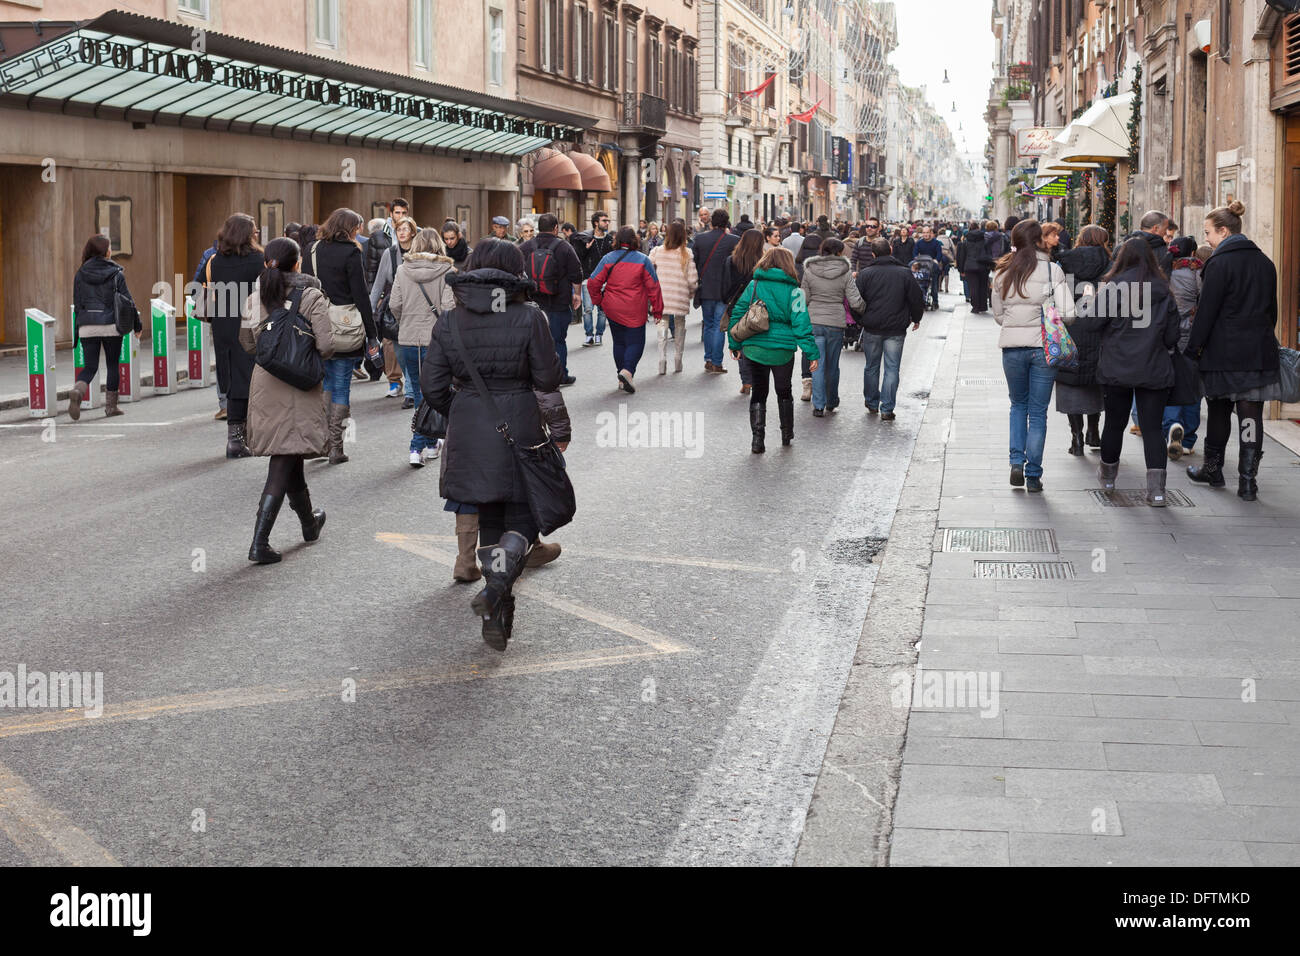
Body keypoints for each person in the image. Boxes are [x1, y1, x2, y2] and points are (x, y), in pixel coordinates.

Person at [420, 239, 568, 650]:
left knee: (488, 515)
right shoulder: (530, 317)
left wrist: (463, 407)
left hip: (469, 424)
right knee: (521, 513)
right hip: (519, 420)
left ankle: (498, 609)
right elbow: (547, 377)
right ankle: (496, 590)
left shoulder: (450, 320)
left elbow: (431, 385)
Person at [238, 237, 333, 563]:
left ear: (267, 263)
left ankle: (309, 523)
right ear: (297, 263)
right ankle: (259, 542)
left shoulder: (255, 297)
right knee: (283, 456)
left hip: (266, 381)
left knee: (289, 451)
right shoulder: (311, 296)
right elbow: (327, 344)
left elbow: (249, 344)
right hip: (300, 385)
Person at [1072, 237, 1180, 505]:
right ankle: (1156, 491)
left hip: (1117, 366)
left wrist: (1089, 301)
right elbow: (1172, 336)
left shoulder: (1113, 288)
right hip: (1153, 367)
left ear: (1121, 259)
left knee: (1115, 424)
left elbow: (1091, 325)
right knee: (1153, 429)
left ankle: (1108, 476)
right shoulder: (1163, 290)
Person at [1185, 200, 1279, 502]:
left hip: (1222, 352)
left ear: (1224, 231)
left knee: (1219, 409)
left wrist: (1193, 349)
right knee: (1251, 413)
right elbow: (1272, 312)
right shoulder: (1265, 262)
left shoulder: (1219, 263)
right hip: (1257, 351)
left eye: (1209, 233)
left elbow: (1206, 312)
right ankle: (1248, 481)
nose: (1207, 239)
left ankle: (1213, 469)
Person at [992, 219, 1076, 492]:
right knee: (1038, 413)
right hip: (1043, 348)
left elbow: (999, 316)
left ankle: (1016, 461)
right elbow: (1070, 314)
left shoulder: (1002, 273)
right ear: (1039, 240)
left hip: (1012, 348)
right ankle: (1033, 475)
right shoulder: (1053, 271)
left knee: (1018, 406)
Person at [302, 207, 379, 465]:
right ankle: (336, 446)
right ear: (348, 228)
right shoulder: (350, 252)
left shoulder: (312, 250)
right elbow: (361, 295)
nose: (360, 232)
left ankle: (322, 443)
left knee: (323, 384)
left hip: (316, 325)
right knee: (341, 386)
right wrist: (372, 335)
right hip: (346, 327)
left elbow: (303, 289)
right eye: (357, 227)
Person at [728, 247, 818, 452]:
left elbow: (738, 313)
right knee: (784, 390)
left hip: (755, 347)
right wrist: (811, 353)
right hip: (783, 350)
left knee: (759, 392)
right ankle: (786, 433)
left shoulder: (754, 285)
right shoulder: (795, 291)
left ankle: (757, 441)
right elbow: (801, 323)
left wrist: (734, 343)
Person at [386, 227, 457, 466]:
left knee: (418, 392)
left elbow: (394, 304)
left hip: (408, 338)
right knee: (437, 392)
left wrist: (405, 320)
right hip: (436, 340)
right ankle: (422, 445)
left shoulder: (403, 270)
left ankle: (425, 445)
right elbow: (448, 307)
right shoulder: (448, 270)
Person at [201, 214, 264, 458]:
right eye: (254, 231)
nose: (257, 234)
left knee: (230, 375)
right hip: (250, 321)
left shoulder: (215, 261)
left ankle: (236, 438)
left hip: (223, 324)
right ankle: (242, 438)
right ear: (246, 234)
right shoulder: (258, 260)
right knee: (250, 378)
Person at [68, 235, 140, 421]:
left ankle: (77, 390)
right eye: (109, 247)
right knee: (112, 365)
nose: (111, 251)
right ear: (104, 251)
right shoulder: (116, 273)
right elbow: (128, 302)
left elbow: (77, 303)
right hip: (110, 325)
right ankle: (111, 407)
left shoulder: (80, 274)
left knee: (90, 367)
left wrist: (79, 327)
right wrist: (137, 325)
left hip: (87, 326)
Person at [587, 226, 664, 394]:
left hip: (613, 307)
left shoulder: (608, 258)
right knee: (636, 342)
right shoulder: (643, 260)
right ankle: (627, 371)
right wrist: (658, 310)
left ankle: (621, 377)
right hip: (635, 307)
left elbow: (593, 282)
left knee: (619, 342)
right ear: (634, 240)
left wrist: (598, 300)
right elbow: (654, 286)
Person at [1055, 224, 1111, 455]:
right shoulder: (1110, 264)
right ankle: (1094, 431)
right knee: (1095, 381)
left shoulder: (1064, 263)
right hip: (1100, 329)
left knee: (1071, 381)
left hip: (1071, 328)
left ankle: (1076, 438)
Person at [854, 238, 924, 422]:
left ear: (873, 254)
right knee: (892, 368)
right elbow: (916, 298)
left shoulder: (866, 274)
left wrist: (860, 320)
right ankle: (887, 407)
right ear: (891, 250)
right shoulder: (904, 273)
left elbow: (856, 301)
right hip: (896, 328)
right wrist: (916, 318)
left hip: (872, 326)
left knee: (871, 366)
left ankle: (871, 402)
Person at [801, 237, 864, 416]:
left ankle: (818, 405)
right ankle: (831, 400)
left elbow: (803, 298)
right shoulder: (845, 272)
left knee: (817, 364)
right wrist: (864, 311)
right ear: (839, 252)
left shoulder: (809, 269)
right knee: (832, 365)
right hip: (835, 322)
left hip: (814, 321)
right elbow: (854, 300)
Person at [519, 213, 583, 386]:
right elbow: (576, 273)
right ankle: (561, 375)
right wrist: (577, 294)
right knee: (558, 340)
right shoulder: (564, 247)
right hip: (559, 302)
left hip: (532, 302)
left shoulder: (525, 247)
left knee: (533, 342)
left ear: (538, 228)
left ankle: (535, 376)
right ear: (556, 228)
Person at [1163, 237, 1205, 461]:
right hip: (1192, 337)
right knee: (1193, 385)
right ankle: (1187, 438)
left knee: (1169, 384)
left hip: (1169, 336)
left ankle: (1172, 425)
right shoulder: (1199, 274)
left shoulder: (1165, 273)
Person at [369, 216, 419, 401]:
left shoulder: (421, 252)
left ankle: (412, 391)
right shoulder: (389, 254)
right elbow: (378, 285)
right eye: (399, 230)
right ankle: (409, 385)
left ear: (413, 232)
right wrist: (370, 310)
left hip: (417, 307)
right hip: (394, 308)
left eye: (406, 229)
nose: (403, 232)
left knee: (415, 350)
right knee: (399, 352)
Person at [693, 208, 741, 374]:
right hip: (725, 290)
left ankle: (708, 359)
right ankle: (717, 362)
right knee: (719, 326)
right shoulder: (734, 240)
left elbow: (696, 263)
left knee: (708, 325)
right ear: (727, 222)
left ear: (712, 221)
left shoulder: (700, 239)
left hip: (705, 288)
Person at [648, 219, 699, 375]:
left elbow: (648, 273)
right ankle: (678, 360)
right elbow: (692, 280)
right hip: (679, 295)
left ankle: (662, 360)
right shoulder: (686, 253)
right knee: (679, 325)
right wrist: (690, 293)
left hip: (661, 296)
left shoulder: (656, 252)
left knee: (661, 325)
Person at [720, 228, 766, 395]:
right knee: (757, 343)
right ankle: (757, 377)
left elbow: (725, 286)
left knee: (739, 342)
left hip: (736, 307)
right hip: (758, 307)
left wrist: (728, 300)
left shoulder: (731, 260)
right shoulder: (765, 261)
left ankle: (746, 381)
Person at [573, 211, 614, 347]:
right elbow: (578, 259)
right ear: (596, 223)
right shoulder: (585, 239)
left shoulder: (609, 240)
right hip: (588, 279)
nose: (607, 223)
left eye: (608, 221)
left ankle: (599, 335)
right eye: (604, 221)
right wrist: (586, 249)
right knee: (588, 309)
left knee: (603, 310)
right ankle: (589, 335)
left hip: (605, 280)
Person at [1118, 210, 1173, 276]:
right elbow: (1165, 280)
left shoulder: (1121, 247)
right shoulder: (1163, 252)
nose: (1166, 233)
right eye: (1165, 229)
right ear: (1156, 228)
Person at [957, 221, 996, 314]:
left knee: (973, 287)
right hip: (983, 266)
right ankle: (983, 306)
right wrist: (991, 265)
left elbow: (962, 256)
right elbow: (989, 253)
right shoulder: (985, 241)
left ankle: (975, 306)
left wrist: (961, 269)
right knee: (983, 286)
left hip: (969, 266)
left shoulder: (966, 241)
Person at [913, 225, 946, 309]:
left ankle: (935, 301)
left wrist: (936, 260)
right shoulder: (919, 243)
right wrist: (916, 260)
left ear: (931, 233)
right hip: (922, 266)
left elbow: (939, 254)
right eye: (924, 233)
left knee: (934, 285)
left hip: (932, 265)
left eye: (927, 232)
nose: (925, 234)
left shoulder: (936, 243)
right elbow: (915, 253)